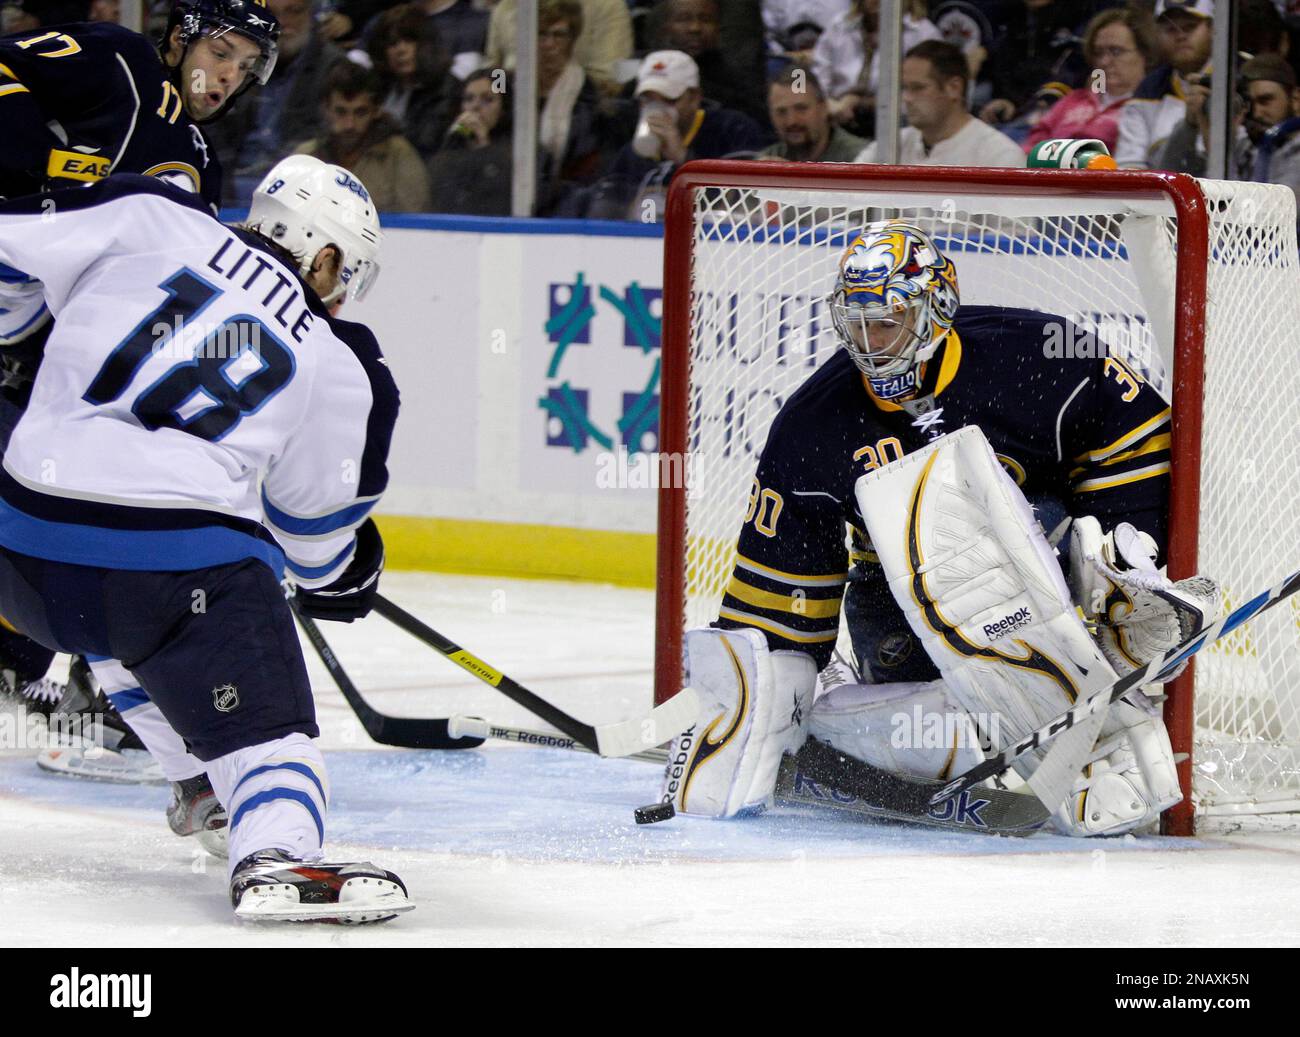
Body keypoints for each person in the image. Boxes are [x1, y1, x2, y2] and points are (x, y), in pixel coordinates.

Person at [658, 220, 1220, 838]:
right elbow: (777, 606)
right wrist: (749, 707)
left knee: (1025, 520)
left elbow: (1142, 445)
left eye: (888, 320)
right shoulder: (811, 428)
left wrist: (1127, 558)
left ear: (939, 307)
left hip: (1050, 575)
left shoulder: (1034, 353)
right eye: (856, 322)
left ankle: (1092, 669)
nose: (871, 343)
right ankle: (1032, 717)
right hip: (897, 613)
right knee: (943, 701)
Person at [0, 155, 411, 922]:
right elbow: (314, 549)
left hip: (20, 557)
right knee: (264, 718)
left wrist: (17, 320)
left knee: (110, 604)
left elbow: (12, 246)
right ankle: (278, 849)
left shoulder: (154, 214)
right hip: (161, 578)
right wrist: (355, 570)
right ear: (325, 256)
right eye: (345, 272)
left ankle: (194, 776)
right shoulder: (339, 360)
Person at [0, 0, 280, 771]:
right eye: (224, 52)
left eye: (246, 68)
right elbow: (5, 66)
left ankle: (50, 672)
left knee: (63, 496)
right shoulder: (119, 59)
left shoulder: (200, 160)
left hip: (46, 342)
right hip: (18, 297)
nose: (231, 76)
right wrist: (16, 163)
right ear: (182, 34)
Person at [201, 0, 341, 206]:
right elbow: (215, 127)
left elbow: (329, 137)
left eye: (293, 11)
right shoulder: (238, 63)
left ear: (311, 13)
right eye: (271, 14)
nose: (282, 23)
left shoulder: (333, 69)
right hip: (230, 186)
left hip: (299, 194)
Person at [603, 50, 770, 213]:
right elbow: (604, 206)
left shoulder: (731, 130)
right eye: (647, 100)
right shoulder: (632, 149)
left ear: (695, 98)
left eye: (670, 100)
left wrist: (684, 158)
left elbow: (744, 200)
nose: (656, 110)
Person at [853, 39, 1024, 166]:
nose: (907, 98)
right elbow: (842, 198)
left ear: (954, 88)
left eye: (918, 88)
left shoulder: (1000, 156)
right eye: (905, 88)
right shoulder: (893, 144)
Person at [296, 59, 430, 212]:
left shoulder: (399, 156)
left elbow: (414, 225)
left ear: (376, 111)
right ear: (326, 109)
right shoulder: (306, 157)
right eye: (341, 112)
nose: (349, 124)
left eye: (360, 113)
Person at [1024, 6, 1158, 155]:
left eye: (1116, 51)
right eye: (1098, 52)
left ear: (1145, 54)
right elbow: (1033, 144)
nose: (1104, 61)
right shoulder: (1073, 99)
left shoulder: (1149, 108)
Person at [428, 67, 551, 214]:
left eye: (488, 100)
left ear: (504, 107)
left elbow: (504, 204)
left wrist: (484, 150)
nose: (475, 106)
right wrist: (451, 144)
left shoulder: (529, 153)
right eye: (469, 99)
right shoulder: (453, 148)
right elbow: (439, 199)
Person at [810, 0, 940, 136]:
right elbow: (817, 83)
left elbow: (923, 100)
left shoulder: (923, 34)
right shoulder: (838, 25)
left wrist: (863, 103)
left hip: (895, 127)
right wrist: (830, 105)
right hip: (839, 121)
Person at [1114, 0, 1213, 170]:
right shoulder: (1148, 90)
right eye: (1171, 29)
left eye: (1190, 27)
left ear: (1213, 29)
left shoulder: (1242, 77)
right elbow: (1129, 167)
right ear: (1157, 34)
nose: (1181, 35)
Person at [366, 3, 461, 161]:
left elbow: (429, 144)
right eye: (392, 43)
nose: (401, 51)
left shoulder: (447, 88)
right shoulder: (376, 85)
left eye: (409, 41)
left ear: (426, 45)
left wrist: (389, 126)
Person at [484, 0, 632, 95]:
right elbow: (495, 69)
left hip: (581, 112)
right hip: (512, 110)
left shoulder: (607, 5)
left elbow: (608, 80)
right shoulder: (505, 7)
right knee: (465, 129)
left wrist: (547, 83)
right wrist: (501, 97)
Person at [759, 63, 866, 161]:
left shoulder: (861, 159)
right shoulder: (766, 160)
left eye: (801, 109)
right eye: (781, 112)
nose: (791, 121)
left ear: (824, 108)